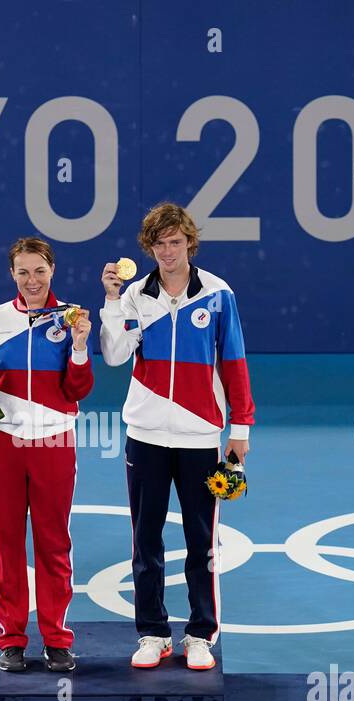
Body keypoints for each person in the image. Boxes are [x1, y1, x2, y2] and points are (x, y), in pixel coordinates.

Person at [99, 202, 255, 671]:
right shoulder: (134, 297)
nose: (168, 252)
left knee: (201, 540)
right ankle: (152, 632)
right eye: (159, 244)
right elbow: (113, 355)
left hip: (200, 437)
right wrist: (110, 301)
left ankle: (200, 634)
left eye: (175, 242)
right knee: (145, 540)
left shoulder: (217, 293)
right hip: (144, 434)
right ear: (148, 249)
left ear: (189, 242)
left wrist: (240, 426)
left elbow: (234, 362)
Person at [0, 237, 93, 672]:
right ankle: (12, 639)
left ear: (52, 270)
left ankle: (57, 639)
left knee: (53, 541)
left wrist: (79, 345)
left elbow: (79, 389)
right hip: (1, 443)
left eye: (39, 270)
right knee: (5, 543)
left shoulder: (71, 317)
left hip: (54, 443)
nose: (32, 280)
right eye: (23, 272)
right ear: (12, 275)